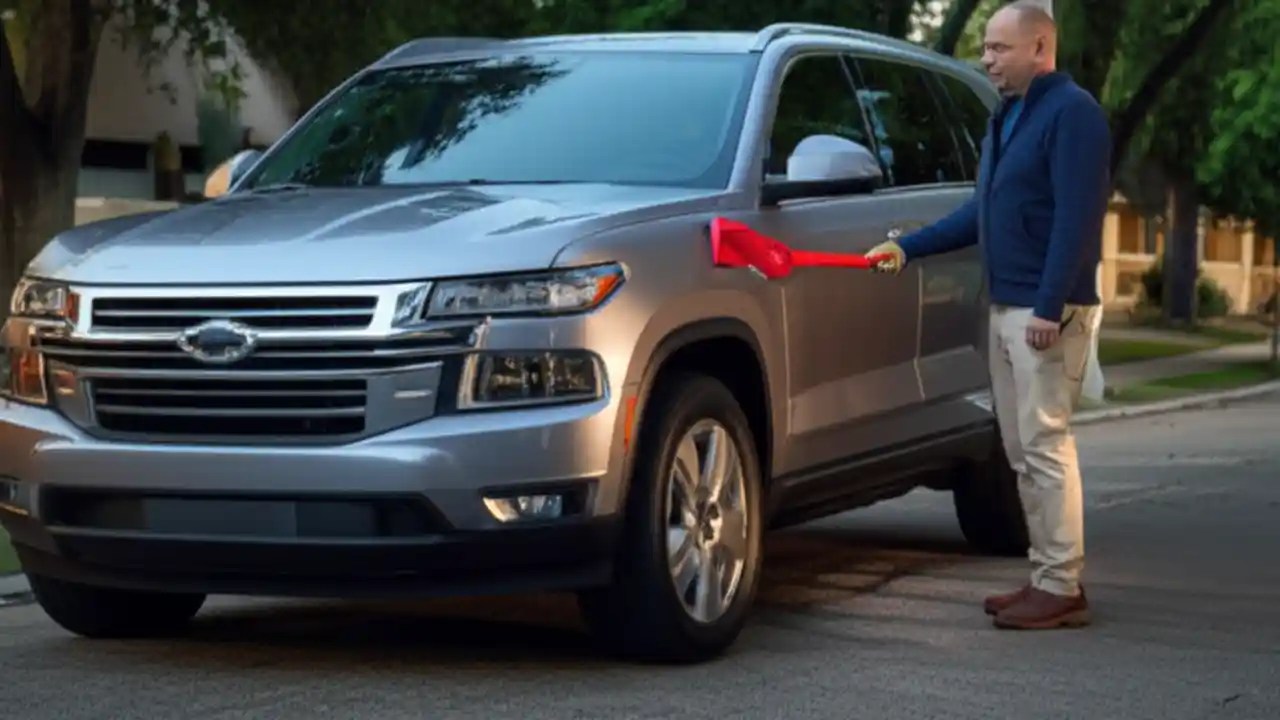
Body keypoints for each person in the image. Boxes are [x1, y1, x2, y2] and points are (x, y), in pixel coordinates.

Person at [869, 0, 1111, 630]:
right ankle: (1046, 576)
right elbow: (981, 213)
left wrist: (1050, 306)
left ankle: (1061, 586)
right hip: (1008, 306)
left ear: (1040, 48)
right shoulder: (1007, 118)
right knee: (1019, 448)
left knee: (1045, 443)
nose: (987, 60)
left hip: (1043, 310)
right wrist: (907, 246)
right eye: (985, 49)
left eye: (999, 49)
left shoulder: (1073, 114)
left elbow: (1077, 219)